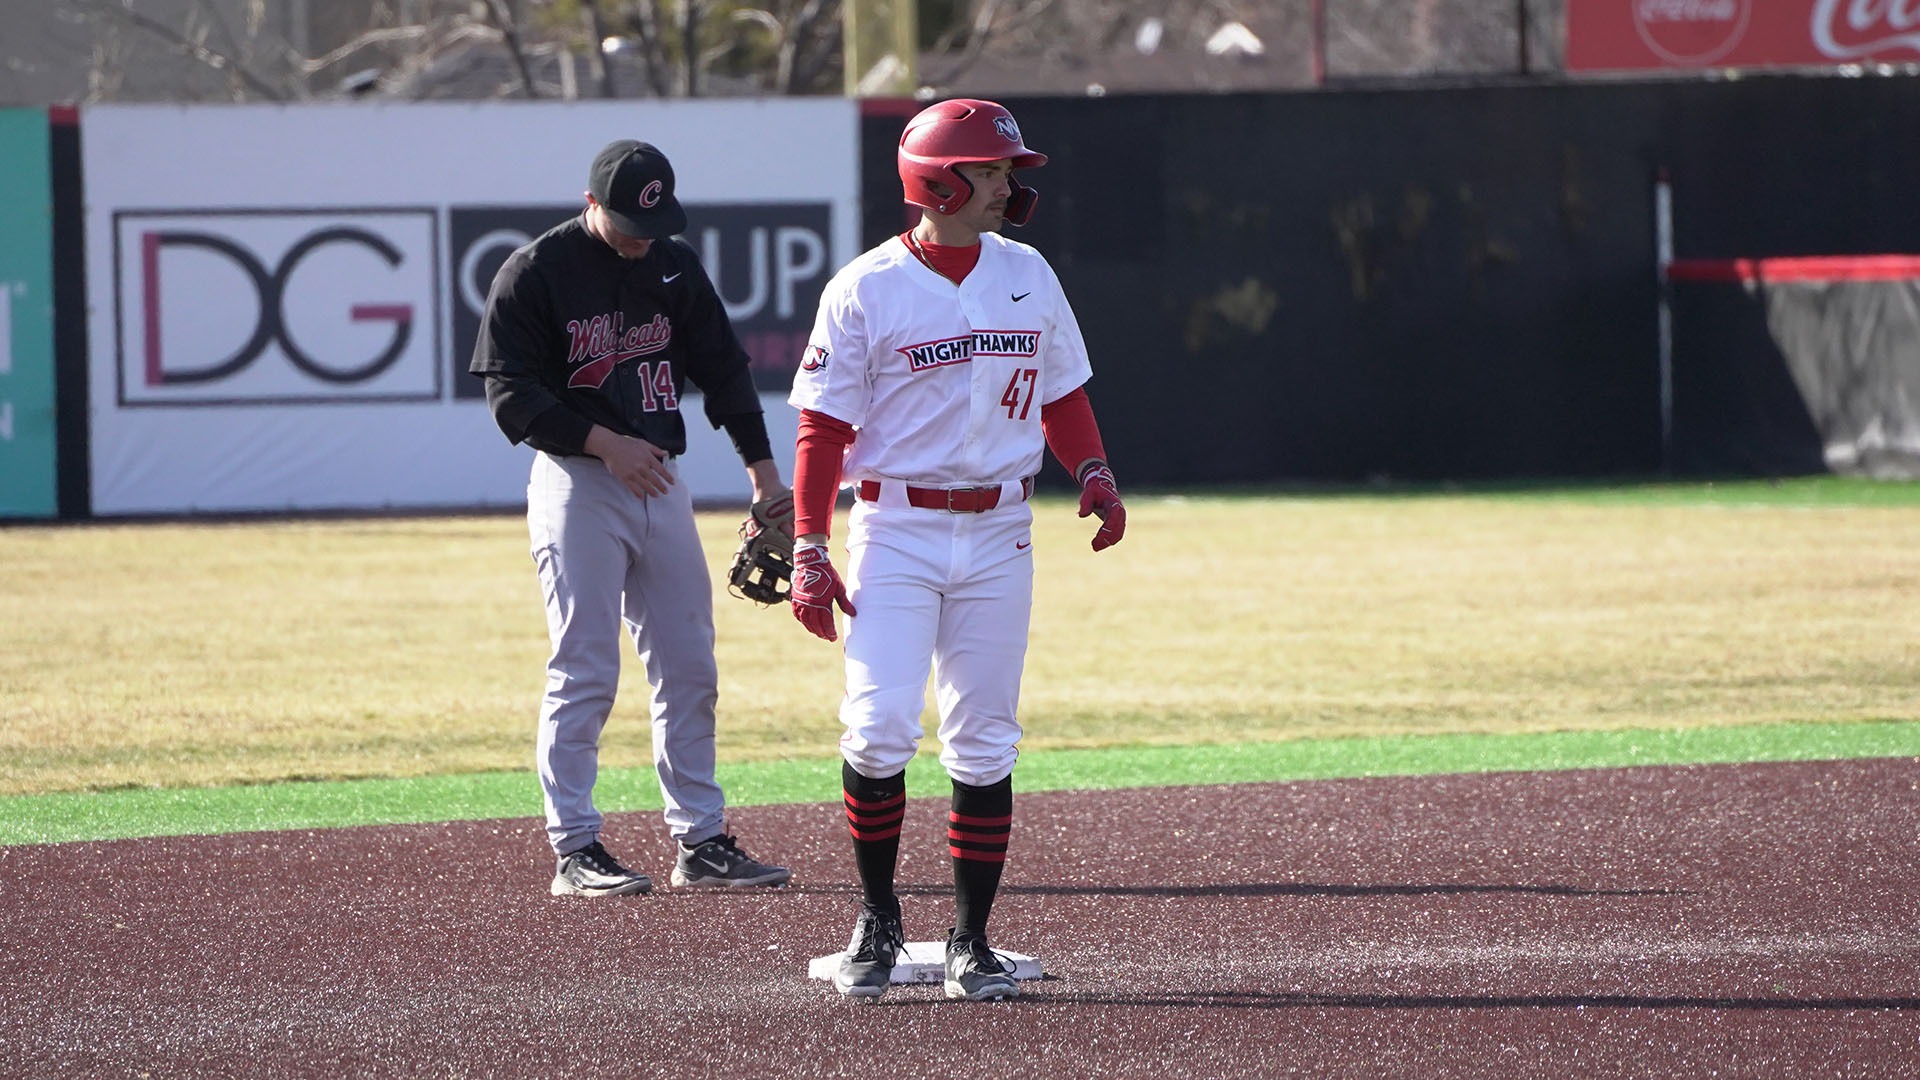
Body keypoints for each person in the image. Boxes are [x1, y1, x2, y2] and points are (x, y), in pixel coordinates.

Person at [786, 99, 1127, 1001]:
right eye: (991, 169)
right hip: (895, 527)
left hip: (1000, 530)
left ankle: (972, 938)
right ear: (937, 180)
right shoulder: (866, 286)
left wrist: (1092, 468)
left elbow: (1061, 393)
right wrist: (809, 545)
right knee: (879, 726)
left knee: (983, 743)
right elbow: (823, 428)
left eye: (1008, 169)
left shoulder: (1027, 273)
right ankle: (878, 920)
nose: (1009, 184)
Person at [471, 139, 791, 898]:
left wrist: (764, 476)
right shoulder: (535, 271)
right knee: (585, 666)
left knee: (689, 664)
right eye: (624, 220)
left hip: (660, 481)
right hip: (578, 482)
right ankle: (575, 846)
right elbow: (509, 395)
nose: (640, 235)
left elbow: (723, 370)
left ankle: (701, 841)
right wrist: (604, 443)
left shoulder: (672, 265)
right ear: (591, 204)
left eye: (652, 221)